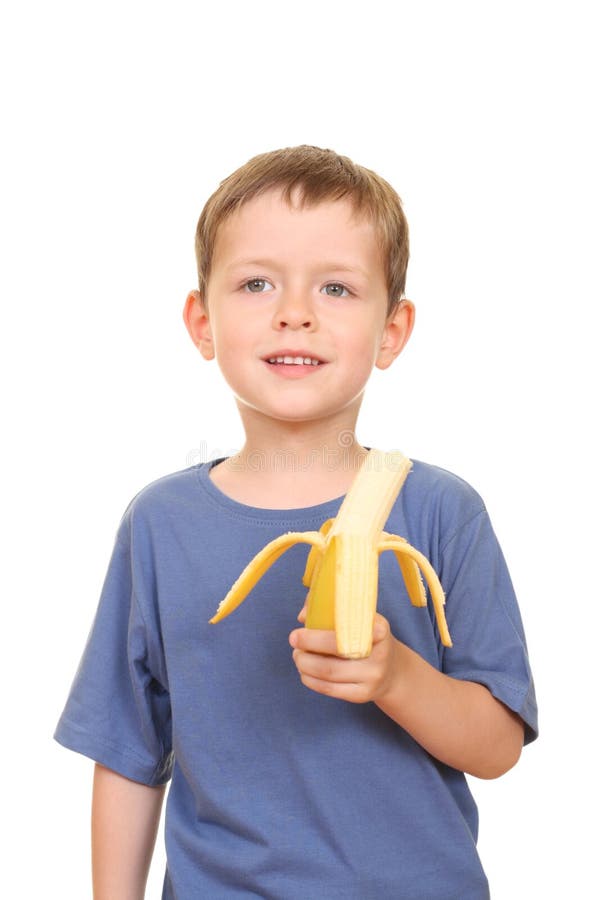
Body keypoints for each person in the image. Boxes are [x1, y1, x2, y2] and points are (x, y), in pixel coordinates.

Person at [54, 144, 538, 900]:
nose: (295, 313)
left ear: (392, 331)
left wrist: (396, 677)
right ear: (202, 321)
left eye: (338, 288)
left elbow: (498, 745)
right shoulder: (159, 524)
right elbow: (127, 752)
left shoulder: (443, 511)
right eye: (255, 283)